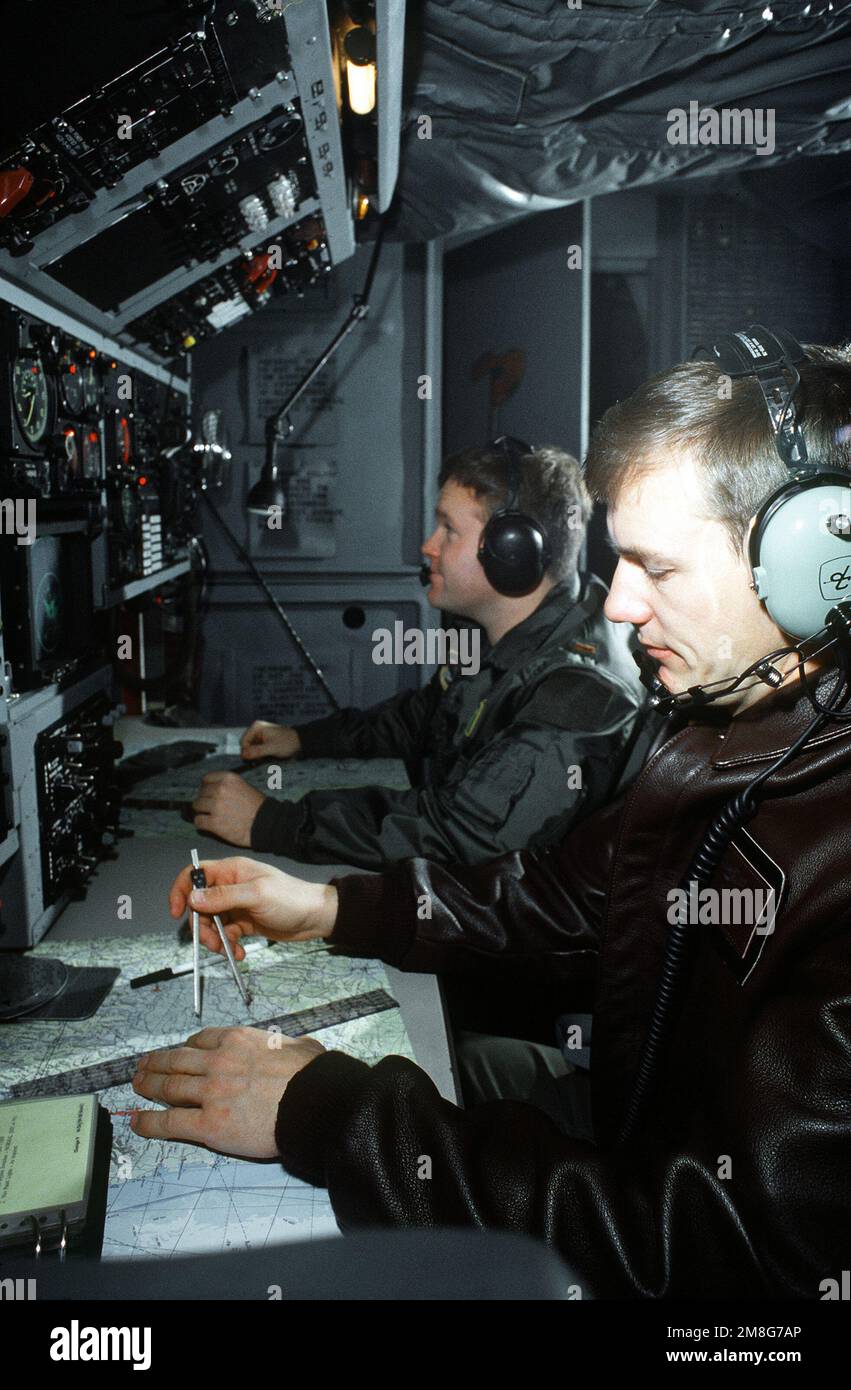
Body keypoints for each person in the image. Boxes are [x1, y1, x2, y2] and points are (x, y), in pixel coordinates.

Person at [133, 335, 851, 1298]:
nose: (623, 604)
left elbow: (716, 1253)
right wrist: (332, 910)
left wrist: (331, 1114)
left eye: (658, 568)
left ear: (815, 571)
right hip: (627, 1115)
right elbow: (556, 898)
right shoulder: (707, 737)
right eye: (616, 560)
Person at [190, 441, 643, 868]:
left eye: (449, 529)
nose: (428, 546)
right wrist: (305, 738)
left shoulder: (579, 692)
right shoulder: (523, 630)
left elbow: (465, 830)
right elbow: (429, 717)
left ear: (513, 551)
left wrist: (275, 822)